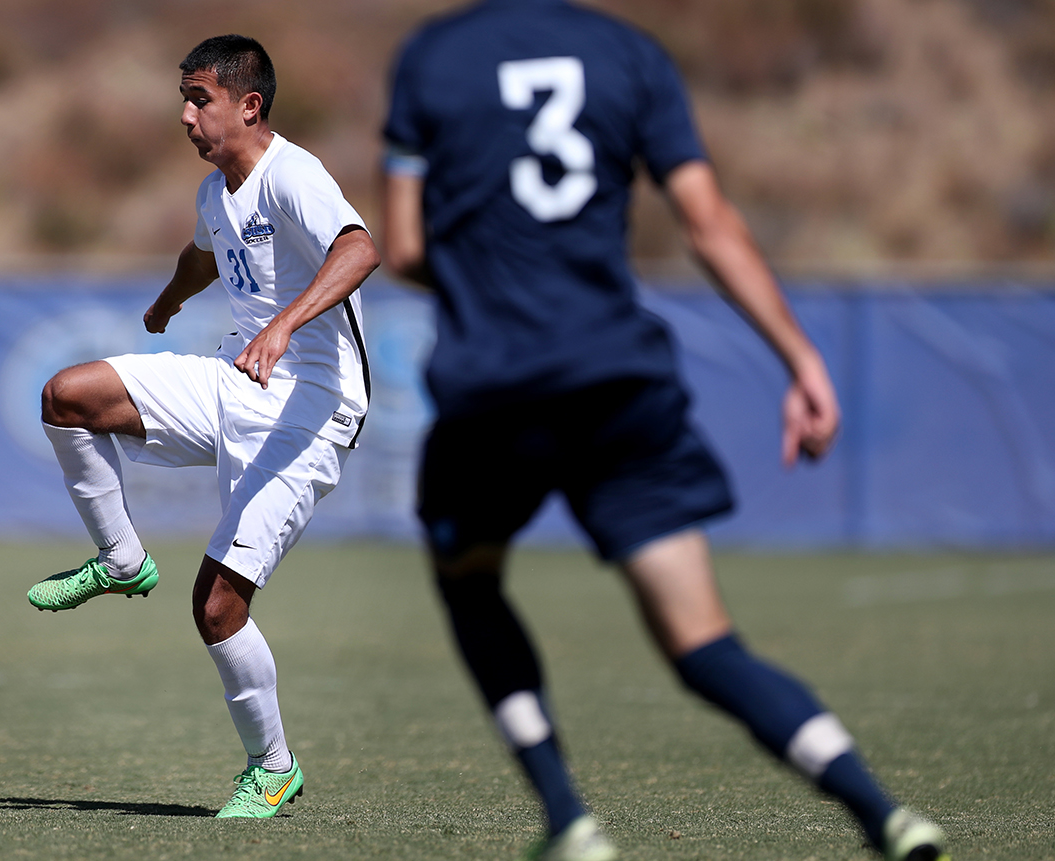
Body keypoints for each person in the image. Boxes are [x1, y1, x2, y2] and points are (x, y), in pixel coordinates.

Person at [380, 2, 949, 860]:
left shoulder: (432, 57)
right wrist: (801, 358)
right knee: (704, 642)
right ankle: (883, 813)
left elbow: (402, 246)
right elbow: (709, 225)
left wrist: (483, 279)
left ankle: (568, 817)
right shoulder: (630, 55)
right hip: (617, 381)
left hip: (496, 389)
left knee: (469, 579)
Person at [29, 34, 378, 819]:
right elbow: (204, 256)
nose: (186, 116)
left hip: (310, 408)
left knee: (218, 607)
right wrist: (168, 301)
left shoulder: (294, 174)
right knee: (67, 395)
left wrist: (284, 324)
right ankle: (121, 559)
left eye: (199, 100)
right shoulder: (216, 192)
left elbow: (359, 249)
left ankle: (273, 767)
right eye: (183, 100)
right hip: (235, 380)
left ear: (249, 105)